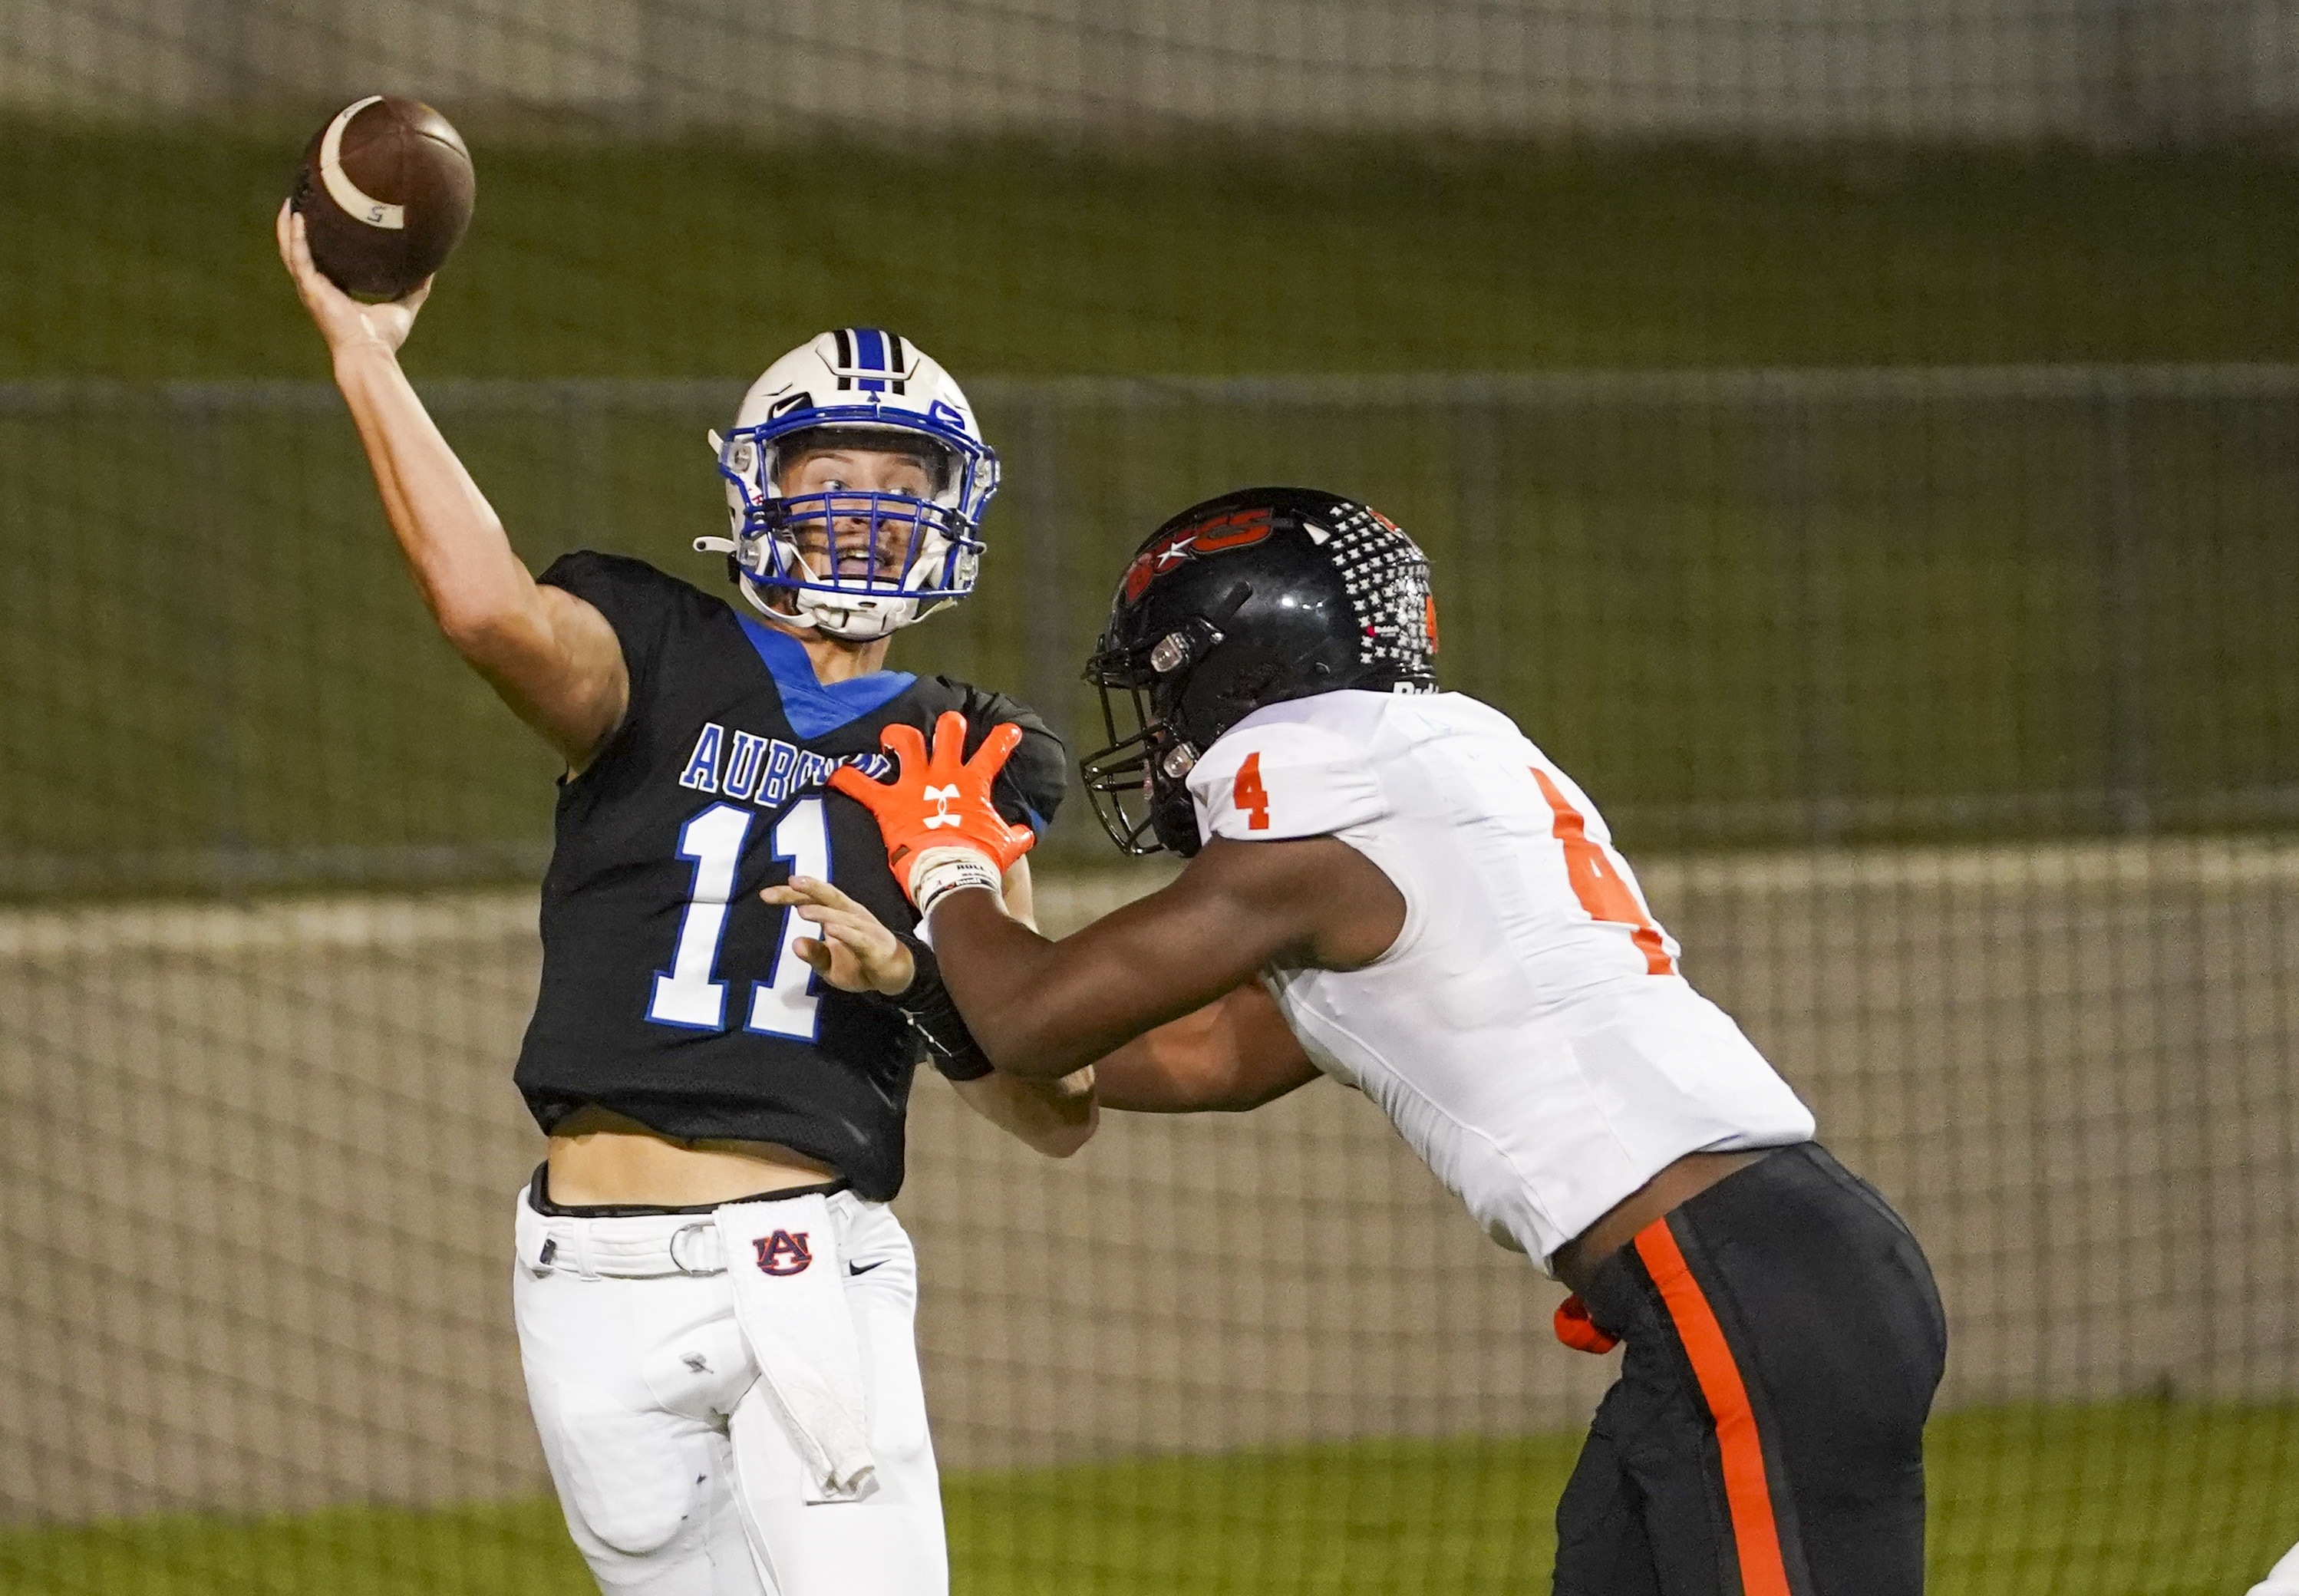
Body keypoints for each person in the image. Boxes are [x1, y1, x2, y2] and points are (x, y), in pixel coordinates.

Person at [780, 486, 1949, 1595]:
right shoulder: (1429, 765)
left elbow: (1039, 1017)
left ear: (1238, 663)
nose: (1156, 730)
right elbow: (1213, 1055)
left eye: (1160, 687)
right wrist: (926, 989)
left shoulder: (1313, 764)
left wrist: (943, 866)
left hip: (1736, 1283)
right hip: (1758, 1278)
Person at [277, 203, 1094, 1596]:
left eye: (900, 484)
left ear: (951, 516)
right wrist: (366, 353)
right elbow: (485, 612)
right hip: (578, 1274)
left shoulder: (967, 750)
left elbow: (1056, 1103)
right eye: (832, 476)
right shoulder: (651, 647)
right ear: (756, 488)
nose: (865, 512)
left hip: (798, 1261)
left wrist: (918, 988)